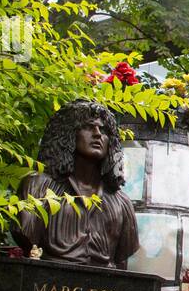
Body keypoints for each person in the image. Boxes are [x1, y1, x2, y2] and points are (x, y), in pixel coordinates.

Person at [12, 99, 139, 268]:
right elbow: (26, 236)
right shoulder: (38, 187)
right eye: (87, 127)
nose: (97, 134)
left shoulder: (122, 203)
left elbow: (122, 260)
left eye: (103, 130)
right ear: (68, 133)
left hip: (104, 290)